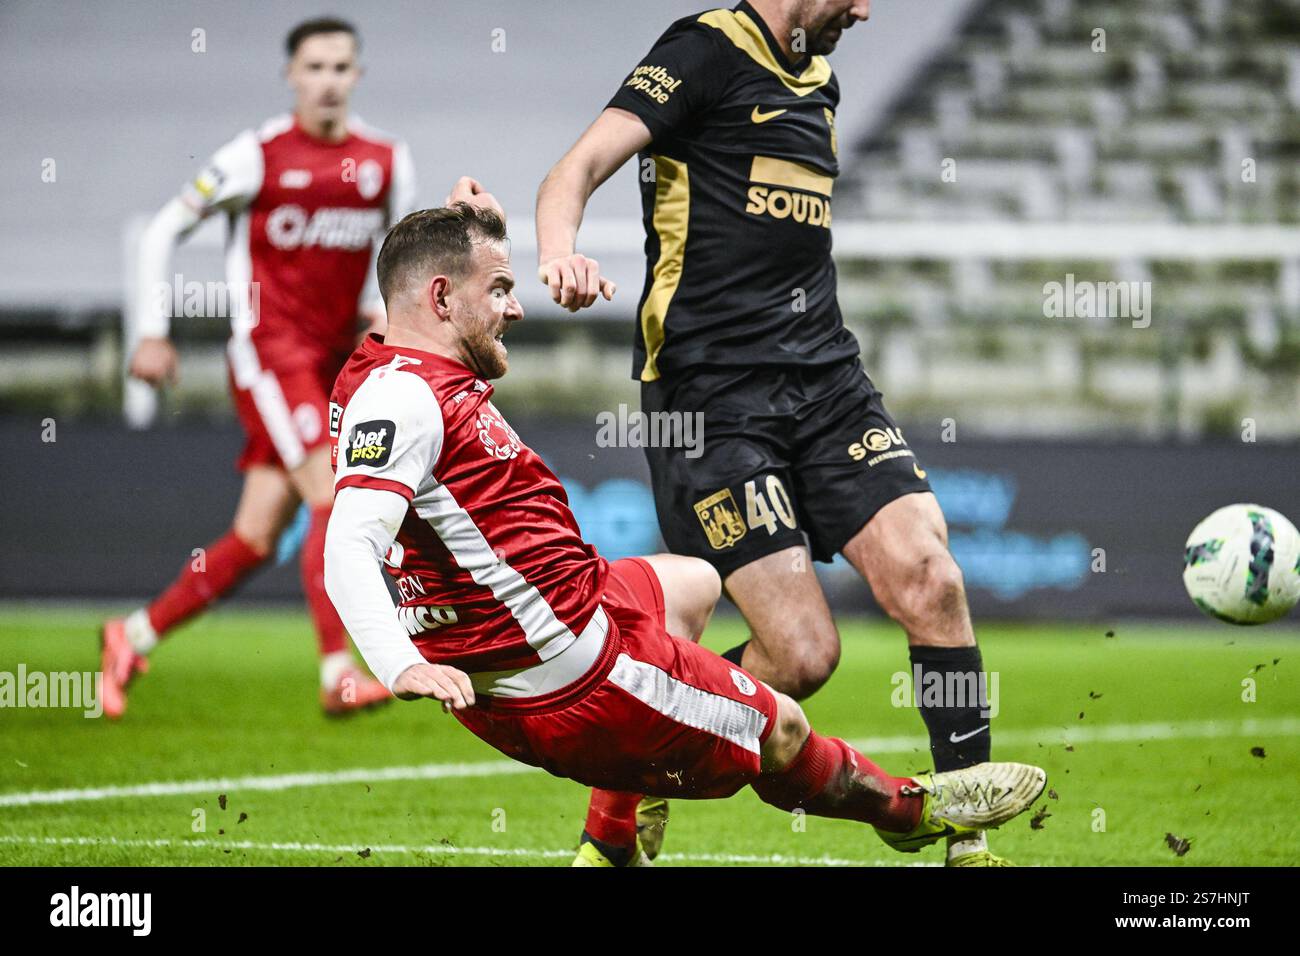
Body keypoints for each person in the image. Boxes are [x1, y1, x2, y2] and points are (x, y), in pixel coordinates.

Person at [322, 201, 1046, 868]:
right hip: (572, 670)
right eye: (500, 289)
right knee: (784, 728)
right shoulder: (405, 399)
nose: (514, 309)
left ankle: (609, 843)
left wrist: (452, 224)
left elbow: (408, 302)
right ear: (442, 298)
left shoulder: (383, 367)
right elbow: (348, 544)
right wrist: (395, 665)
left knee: (693, 582)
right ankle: (910, 811)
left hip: (559, 607)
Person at [535, 0, 1011, 865]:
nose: (865, 9)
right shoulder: (703, 51)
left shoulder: (821, 81)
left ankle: (967, 840)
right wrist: (559, 249)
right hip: (712, 403)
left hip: (829, 386)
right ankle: (619, 802)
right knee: (800, 655)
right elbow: (576, 166)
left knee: (933, 581)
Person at [101, 17, 417, 718]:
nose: (329, 80)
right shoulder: (256, 155)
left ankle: (130, 634)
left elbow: (393, 259)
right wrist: (152, 332)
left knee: (254, 538)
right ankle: (338, 671)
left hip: (337, 362)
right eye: (316, 67)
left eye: (342, 67)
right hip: (271, 355)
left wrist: (380, 310)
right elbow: (162, 230)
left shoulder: (386, 160)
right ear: (292, 77)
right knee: (336, 498)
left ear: (357, 76)